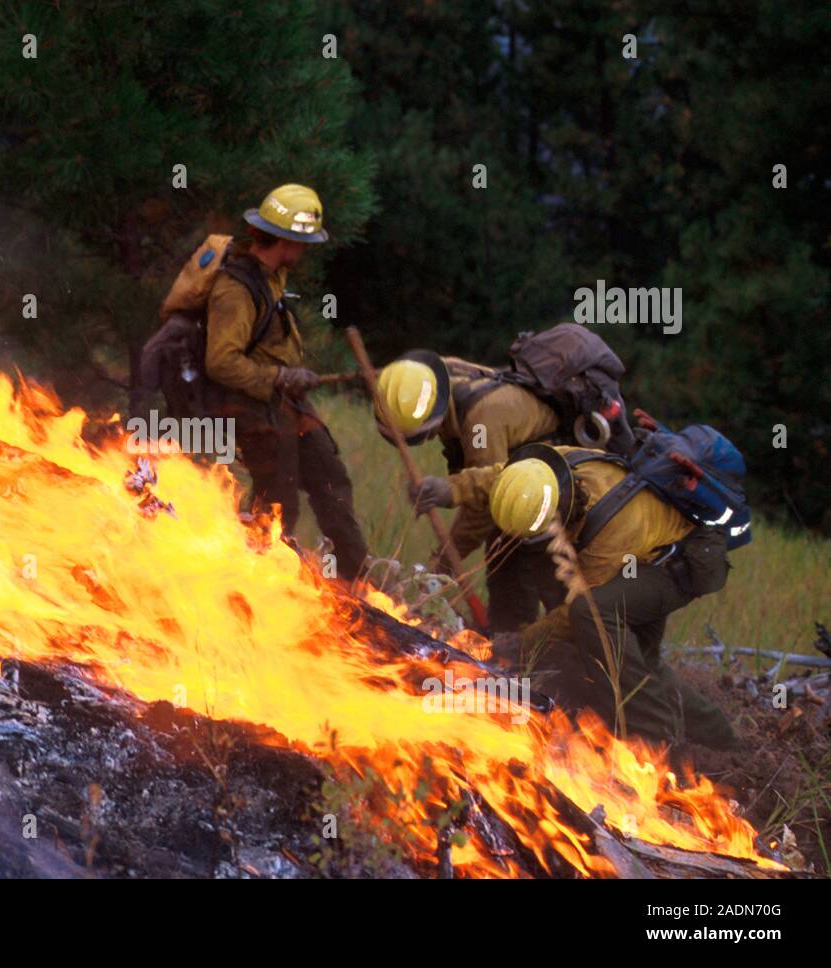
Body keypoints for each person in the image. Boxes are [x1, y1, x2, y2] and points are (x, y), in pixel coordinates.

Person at [410, 443, 740, 749]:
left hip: (673, 568)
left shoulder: (612, 534)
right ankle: (725, 741)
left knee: (592, 615)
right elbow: (500, 477)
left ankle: (653, 733)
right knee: (640, 660)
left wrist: (520, 644)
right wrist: (449, 488)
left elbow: (577, 613)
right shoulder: (549, 470)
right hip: (646, 548)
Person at [175, 183, 368, 582]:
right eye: (303, 242)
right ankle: (259, 588)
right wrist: (280, 376)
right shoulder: (235, 290)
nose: (306, 251)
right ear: (285, 241)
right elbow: (221, 362)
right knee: (278, 507)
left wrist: (291, 375)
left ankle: (357, 586)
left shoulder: (271, 278)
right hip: (250, 408)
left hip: (286, 405)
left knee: (331, 479)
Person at [375, 352, 565, 632]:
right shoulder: (445, 387)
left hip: (547, 492)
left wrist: (444, 562)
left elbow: (487, 503)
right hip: (518, 484)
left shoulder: (481, 422)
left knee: (548, 588)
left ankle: (574, 663)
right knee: (505, 575)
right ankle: (512, 652)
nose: (427, 440)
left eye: (426, 433)